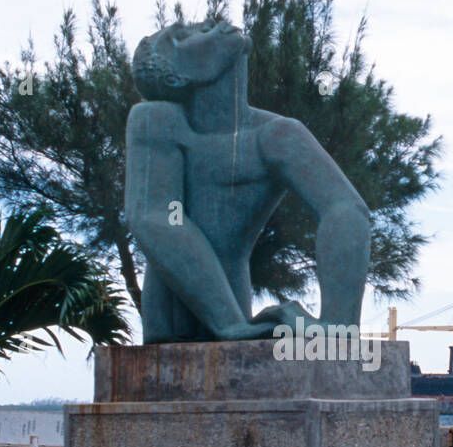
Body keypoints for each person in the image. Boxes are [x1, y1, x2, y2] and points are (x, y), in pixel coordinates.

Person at [125, 19, 370, 343]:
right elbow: (155, 217)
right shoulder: (158, 120)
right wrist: (229, 324)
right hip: (177, 320)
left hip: (236, 311)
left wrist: (337, 323)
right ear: (176, 76)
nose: (208, 25)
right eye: (183, 36)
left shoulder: (278, 137)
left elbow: (345, 209)